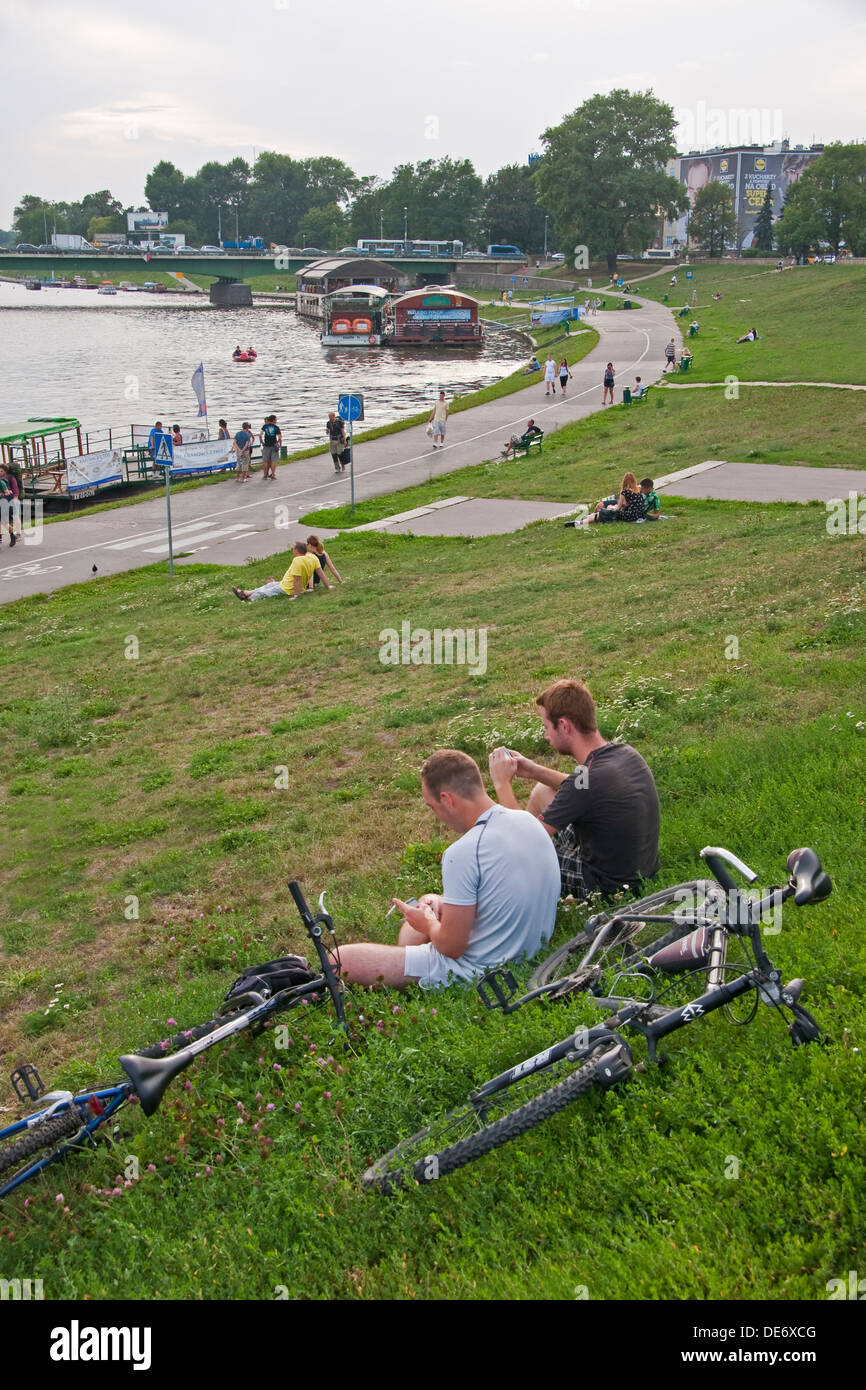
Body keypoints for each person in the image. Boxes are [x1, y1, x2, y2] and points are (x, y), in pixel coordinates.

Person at [335, 749, 561, 989]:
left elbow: (451, 948)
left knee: (339, 960)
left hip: (478, 969)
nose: (437, 817)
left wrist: (428, 925)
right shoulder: (528, 820)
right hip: (529, 949)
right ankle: (405, 962)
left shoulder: (463, 852)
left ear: (448, 799)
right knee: (430, 901)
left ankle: (405, 969)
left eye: (433, 807)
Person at [488, 679, 660, 901]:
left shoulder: (587, 779)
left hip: (607, 886)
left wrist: (502, 784)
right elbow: (582, 787)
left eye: (546, 728)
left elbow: (524, 838)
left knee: (523, 847)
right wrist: (533, 770)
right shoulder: (623, 753)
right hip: (640, 872)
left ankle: (515, 884)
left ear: (564, 725)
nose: (545, 736)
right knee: (543, 791)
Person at [231, 540, 332, 602]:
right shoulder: (312, 557)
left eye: (293, 549)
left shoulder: (297, 560)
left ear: (296, 551)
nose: (292, 551)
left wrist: (296, 596)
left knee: (265, 593)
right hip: (286, 583)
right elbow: (321, 573)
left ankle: (247, 598)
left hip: (287, 588)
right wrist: (328, 586)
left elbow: (296, 579)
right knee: (269, 585)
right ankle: (245, 592)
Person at [0, 463, 21, 546]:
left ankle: (13, 535)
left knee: (5, 522)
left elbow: (7, 492)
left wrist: (15, 498)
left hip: (4, 503)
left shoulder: (2, 482)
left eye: (1, 471)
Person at [259, 414, 281, 479]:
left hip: (266, 445)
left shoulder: (265, 426)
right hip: (274, 445)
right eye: (276, 419)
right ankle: (273, 474)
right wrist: (277, 442)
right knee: (274, 461)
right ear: (273, 420)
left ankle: (265, 475)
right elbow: (279, 437)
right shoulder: (276, 427)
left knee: (265, 461)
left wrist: (262, 442)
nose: (276, 421)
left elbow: (260, 435)